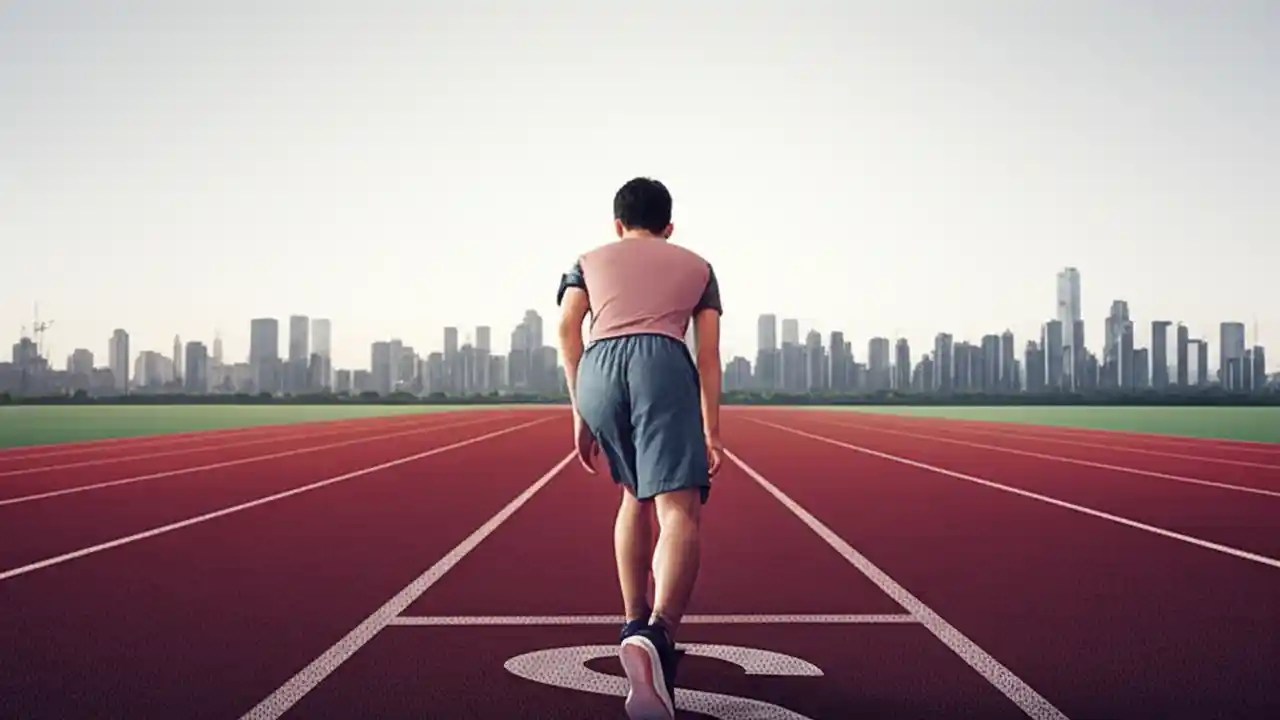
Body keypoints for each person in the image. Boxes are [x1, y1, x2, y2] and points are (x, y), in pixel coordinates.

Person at [556, 177, 723, 719]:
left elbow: (566, 328)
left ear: (617, 224)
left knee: (633, 493)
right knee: (680, 508)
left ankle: (633, 622)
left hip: (599, 368)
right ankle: (660, 637)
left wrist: (581, 406)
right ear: (669, 227)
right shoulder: (698, 267)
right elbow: (709, 354)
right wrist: (712, 429)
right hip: (660, 362)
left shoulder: (586, 259)